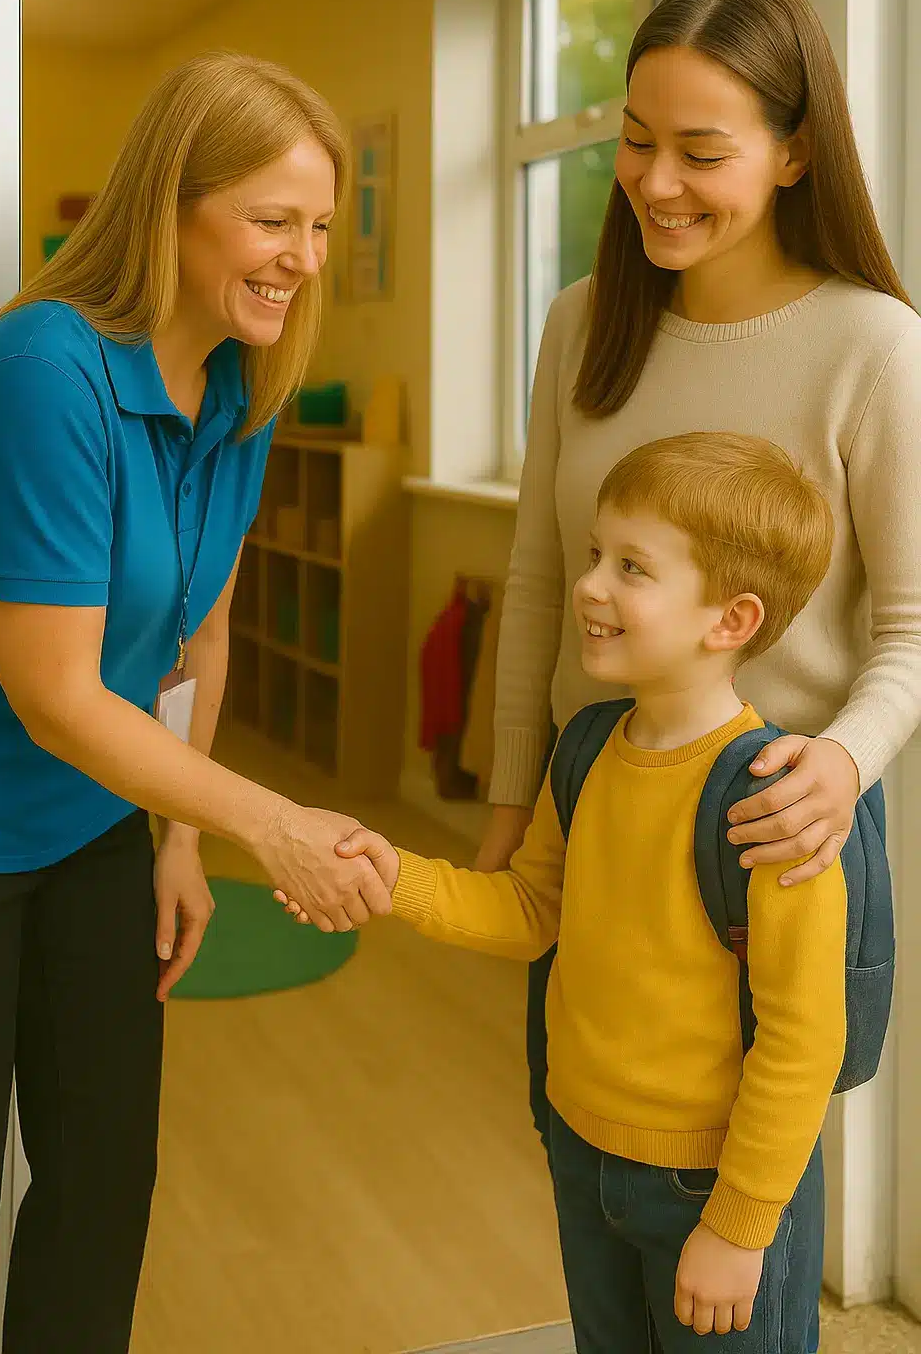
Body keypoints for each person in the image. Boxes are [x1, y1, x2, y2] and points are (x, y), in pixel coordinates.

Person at [0, 52, 396, 1354]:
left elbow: (197, 635)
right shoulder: (40, 374)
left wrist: (176, 836)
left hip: (95, 836)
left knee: (104, 1181)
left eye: (322, 229)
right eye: (272, 221)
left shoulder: (242, 387)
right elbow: (59, 698)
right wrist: (266, 826)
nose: (302, 257)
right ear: (172, 205)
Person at [468, 0, 921, 1185]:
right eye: (634, 141)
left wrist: (843, 762)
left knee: (739, 1214)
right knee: (594, 1168)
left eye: (699, 152)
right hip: (597, 813)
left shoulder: (871, 344)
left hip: (771, 830)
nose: (654, 183)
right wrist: (515, 800)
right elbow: (535, 577)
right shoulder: (581, 324)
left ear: (792, 153)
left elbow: (915, 622)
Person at [283, 430, 850, 1350]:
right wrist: (401, 879)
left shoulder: (772, 803)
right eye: (595, 554)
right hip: (582, 1149)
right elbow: (531, 910)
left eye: (633, 566)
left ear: (731, 620)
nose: (590, 585)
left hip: (709, 1185)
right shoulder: (585, 749)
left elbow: (803, 1036)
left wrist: (740, 1227)